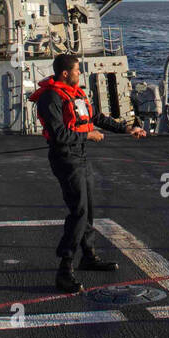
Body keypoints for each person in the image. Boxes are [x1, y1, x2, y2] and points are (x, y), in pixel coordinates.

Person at [29, 54, 146, 293]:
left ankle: (89, 255)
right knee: (79, 211)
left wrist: (126, 129)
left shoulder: (76, 94)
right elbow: (59, 134)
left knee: (88, 209)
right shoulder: (50, 98)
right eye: (76, 71)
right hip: (65, 157)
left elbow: (95, 117)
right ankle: (65, 269)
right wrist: (88, 136)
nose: (79, 74)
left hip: (80, 156)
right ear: (65, 73)